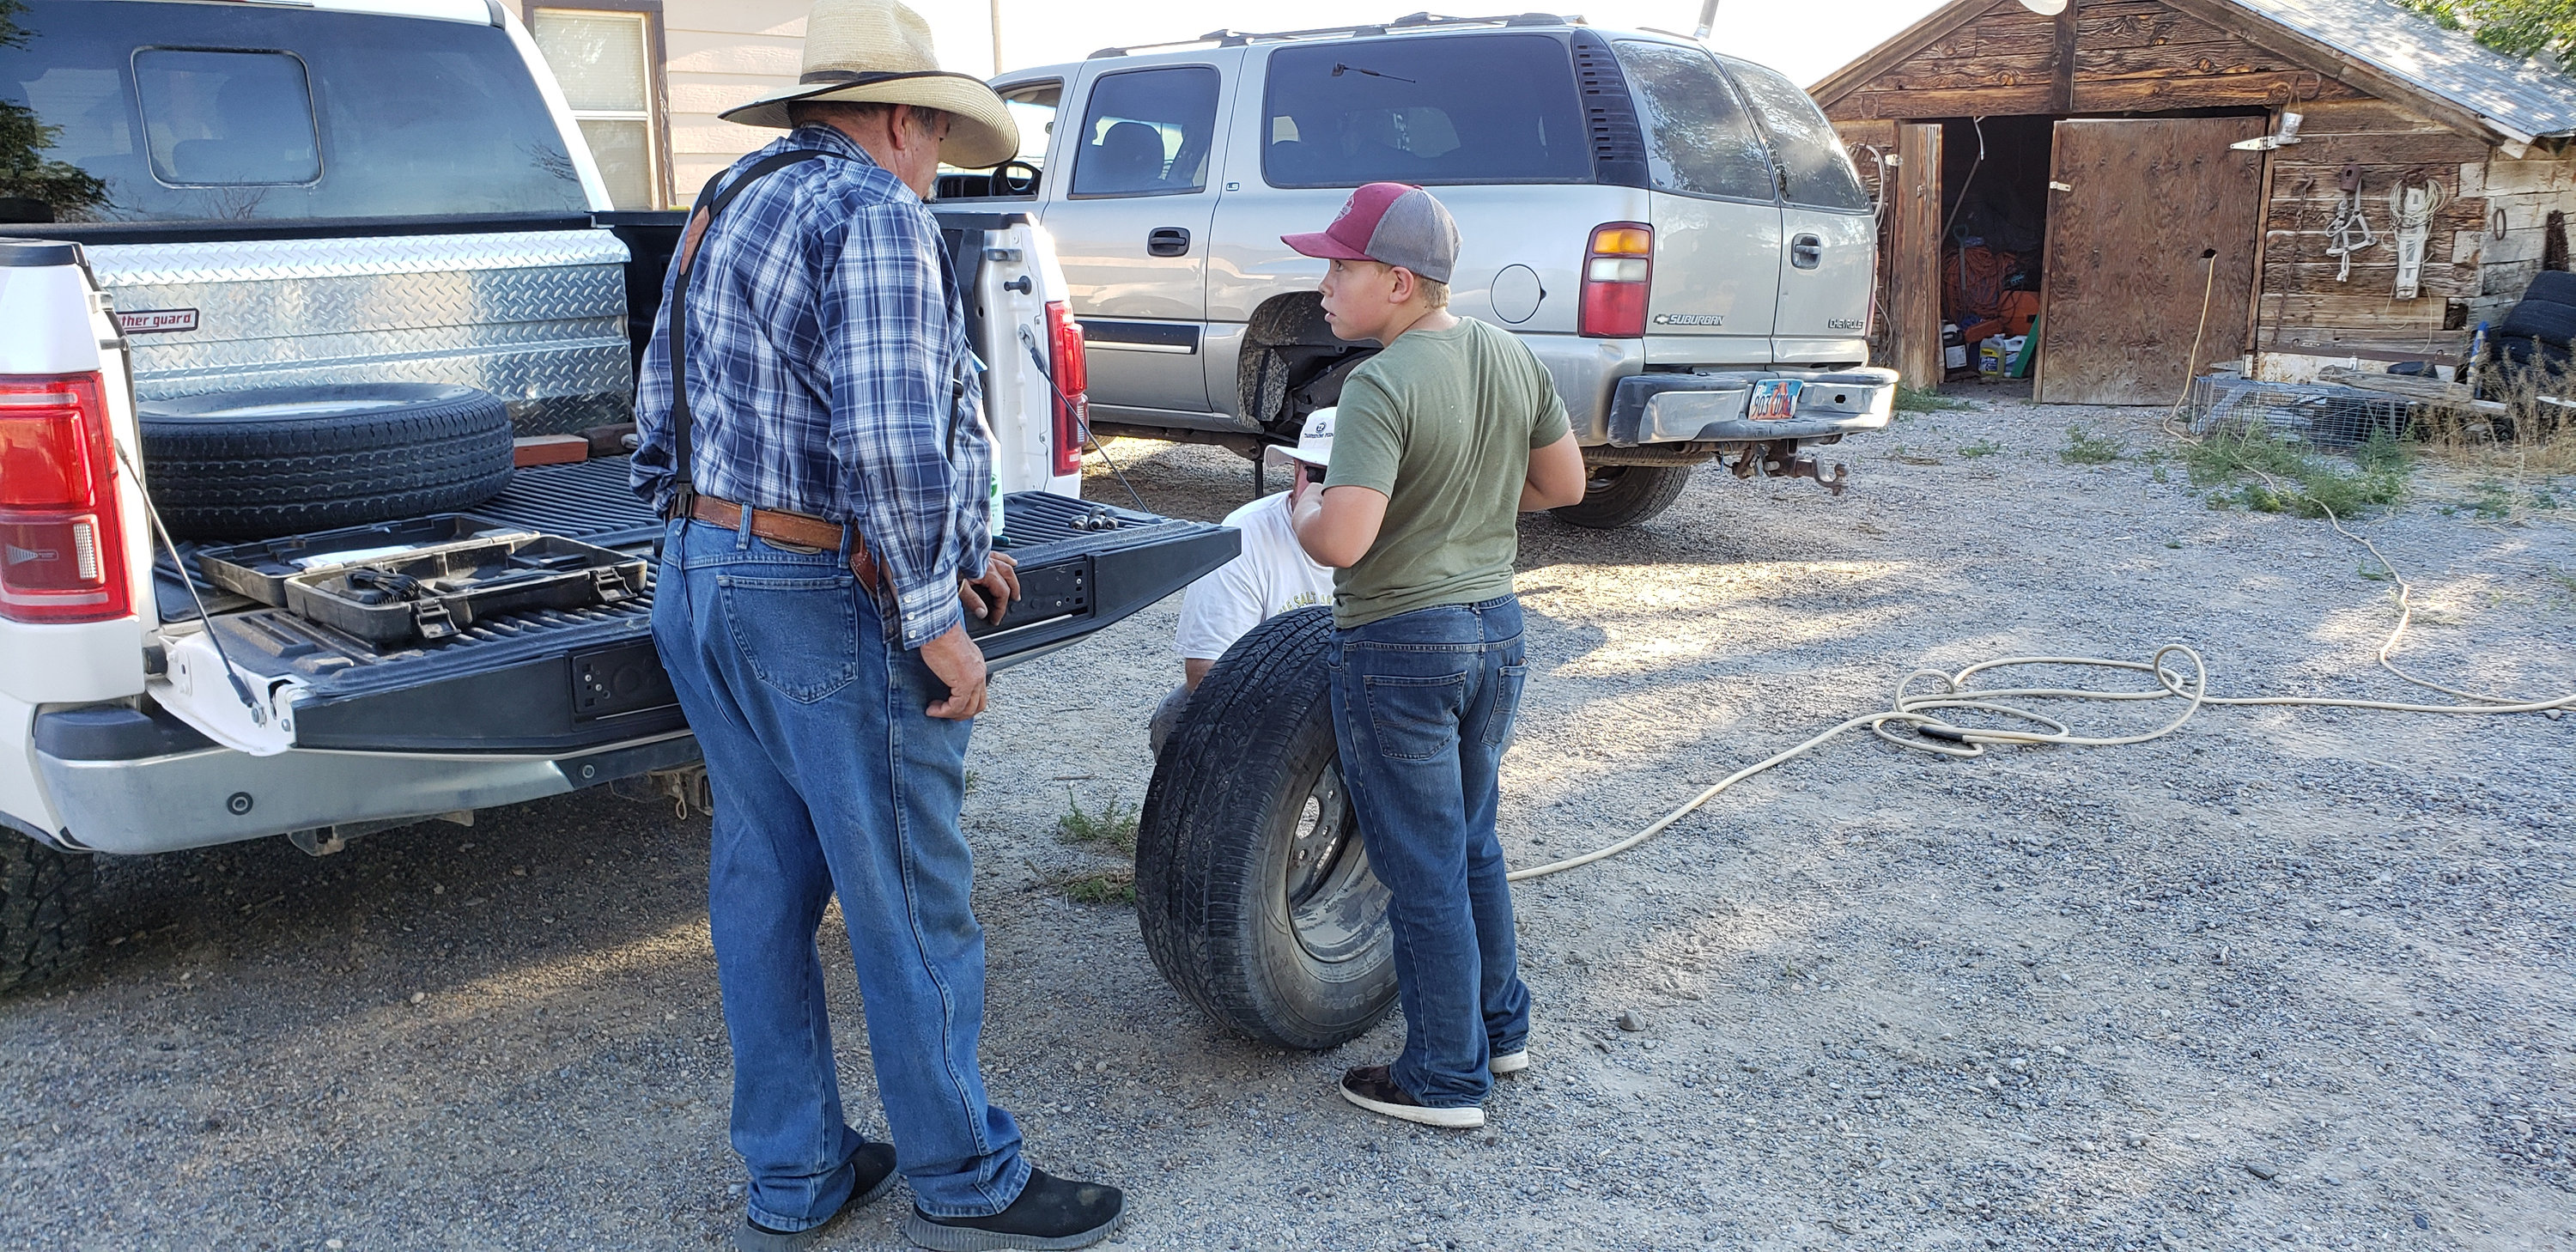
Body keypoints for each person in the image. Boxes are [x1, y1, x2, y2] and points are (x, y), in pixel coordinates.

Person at [629, 3, 1123, 1248]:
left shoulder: (726, 201)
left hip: (701, 569)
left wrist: (954, 546)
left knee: (761, 879)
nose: (935, 166)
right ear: (901, 117)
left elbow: (662, 408)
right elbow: (891, 434)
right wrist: (932, 616)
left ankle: (795, 1175)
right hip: (812, 599)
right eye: (937, 141)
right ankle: (966, 1174)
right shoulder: (877, 214)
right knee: (910, 891)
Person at [1281, 182, 1589, 1129]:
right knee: (1472, 844)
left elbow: (1342, 543)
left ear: (1399, 282)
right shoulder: (1507, 353)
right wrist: (1469, 512)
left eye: (1342, 266)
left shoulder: (1378, 384)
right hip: (1495, 631)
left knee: (1418, 867)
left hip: (1402, 645)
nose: (1325, 284)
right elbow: (1565, 484)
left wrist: (1303, 504)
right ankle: (1503, 1031)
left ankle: (1446, 1078)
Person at [1148, 408, 1340, 752]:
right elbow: (1206, 670)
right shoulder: (1244, 535)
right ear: (1296, 470)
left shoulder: (1396, 533)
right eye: (1318, 474)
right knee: (1179, 716)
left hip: (1358, 701)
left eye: (1344, 477)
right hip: (1277, 706)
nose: (1328, 490)